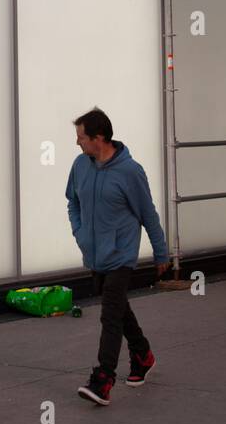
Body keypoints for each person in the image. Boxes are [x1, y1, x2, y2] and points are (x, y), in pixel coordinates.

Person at [65, 107, 170, 405]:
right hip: (94, 255)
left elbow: (148, 215)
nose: (77, 143)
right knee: (118, 308)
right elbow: (72, 202)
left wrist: (161, 252)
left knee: (110, 313)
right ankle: (143, 355)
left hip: (121, 255)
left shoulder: (130, 172)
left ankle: (103, 379)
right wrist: (80, 232)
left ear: (99, 139)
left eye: (81, 137)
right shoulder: (80, 165)